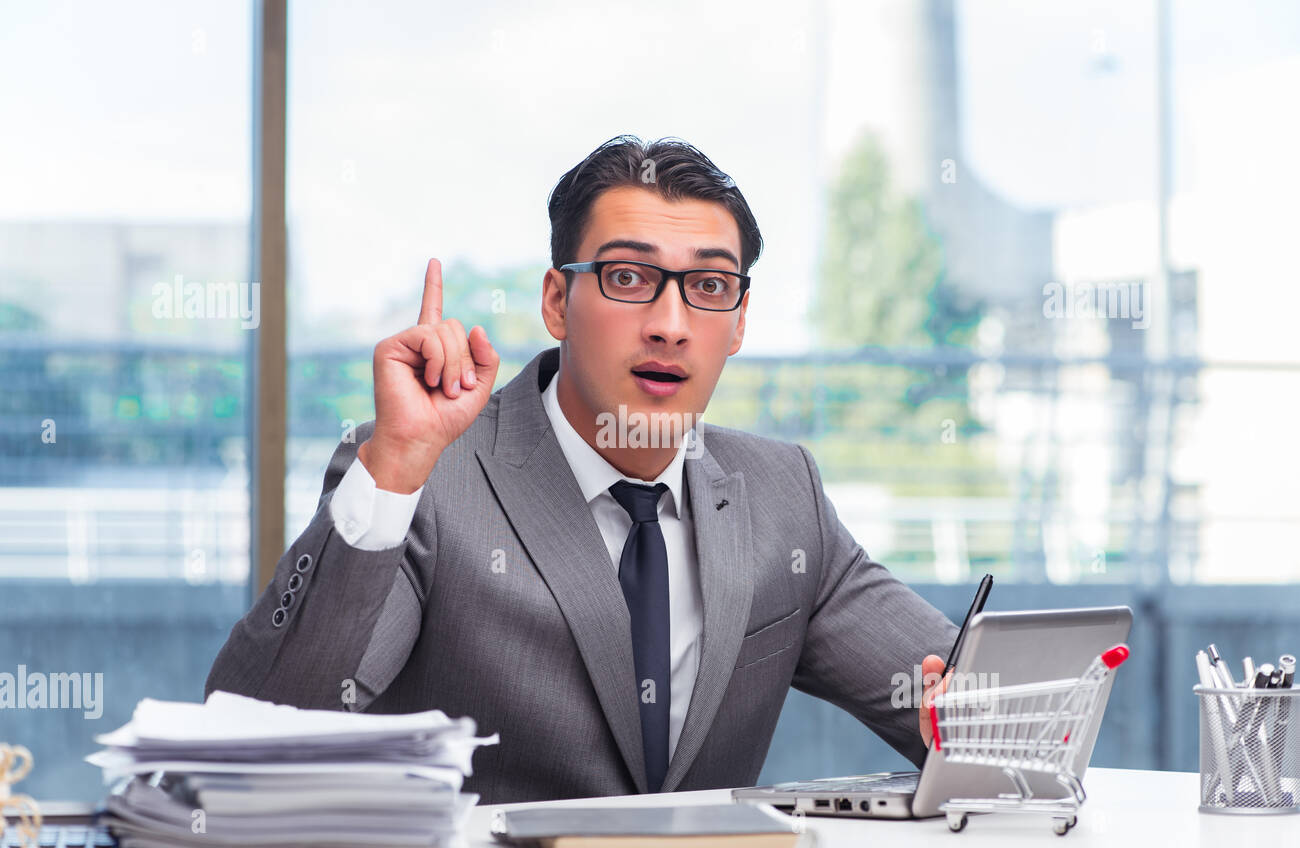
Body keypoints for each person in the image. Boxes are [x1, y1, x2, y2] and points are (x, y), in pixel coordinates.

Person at [205, 134, 958, 805]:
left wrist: (1024, 697)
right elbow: (254, 738)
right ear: (558, 301)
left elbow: (977, 710)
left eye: (709, 285)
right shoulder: (428, 478)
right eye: (629, 278)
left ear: (738, 322)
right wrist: (396, 467)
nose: (669, 323)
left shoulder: (783, 494)